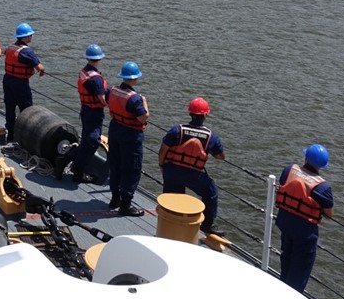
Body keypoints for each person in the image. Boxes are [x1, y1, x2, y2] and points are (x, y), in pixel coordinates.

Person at [158, 97, 226, 235]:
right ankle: (207, 224)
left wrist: (162, 166)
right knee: (211, 193)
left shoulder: (177, 130)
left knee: (172, 198)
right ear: (205, 115)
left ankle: (169, 224)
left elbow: (162, 150)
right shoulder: (211, 136)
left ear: (190, 113)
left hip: (172, 171)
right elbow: (220, 156)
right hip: (194, 174)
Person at [276, 144, 335, 293]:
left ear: (306, 158)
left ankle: (282, 290)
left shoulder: (289, 170)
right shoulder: (323, 187)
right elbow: (329, 213)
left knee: (286, 259)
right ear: (322, 166)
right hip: (304, 233)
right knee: (299, 270)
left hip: (285, 223)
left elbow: (284, 185)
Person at [107, 61, 148, 216]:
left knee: (115, 164)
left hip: (115, 129)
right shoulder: (135, 98)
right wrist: (145, 103)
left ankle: (114, 198)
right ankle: (126, 205)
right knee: (131, 169)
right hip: (130, 134)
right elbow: (143, 118)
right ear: (135, 78)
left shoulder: (111, 90)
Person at [69, 44, 109, 184]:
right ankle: (79, 172)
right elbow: (102, 101)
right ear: (99, 59)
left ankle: (71, 159)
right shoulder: (96, 79)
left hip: (85, 109)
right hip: (94, 113)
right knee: (92, 142)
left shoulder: (84, 72)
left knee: (86, 139)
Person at [2, 23, 44, 142]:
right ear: (25, 37)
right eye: (30, 35)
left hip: (8, 80)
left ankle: (10, 134)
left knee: (10, 108)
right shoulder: (27, 52)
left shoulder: (10, 47)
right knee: (26, 111)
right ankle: (25, 136)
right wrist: (42, 71)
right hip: (20, 83)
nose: (31, 37)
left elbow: (5, 53)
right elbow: (40, 67)